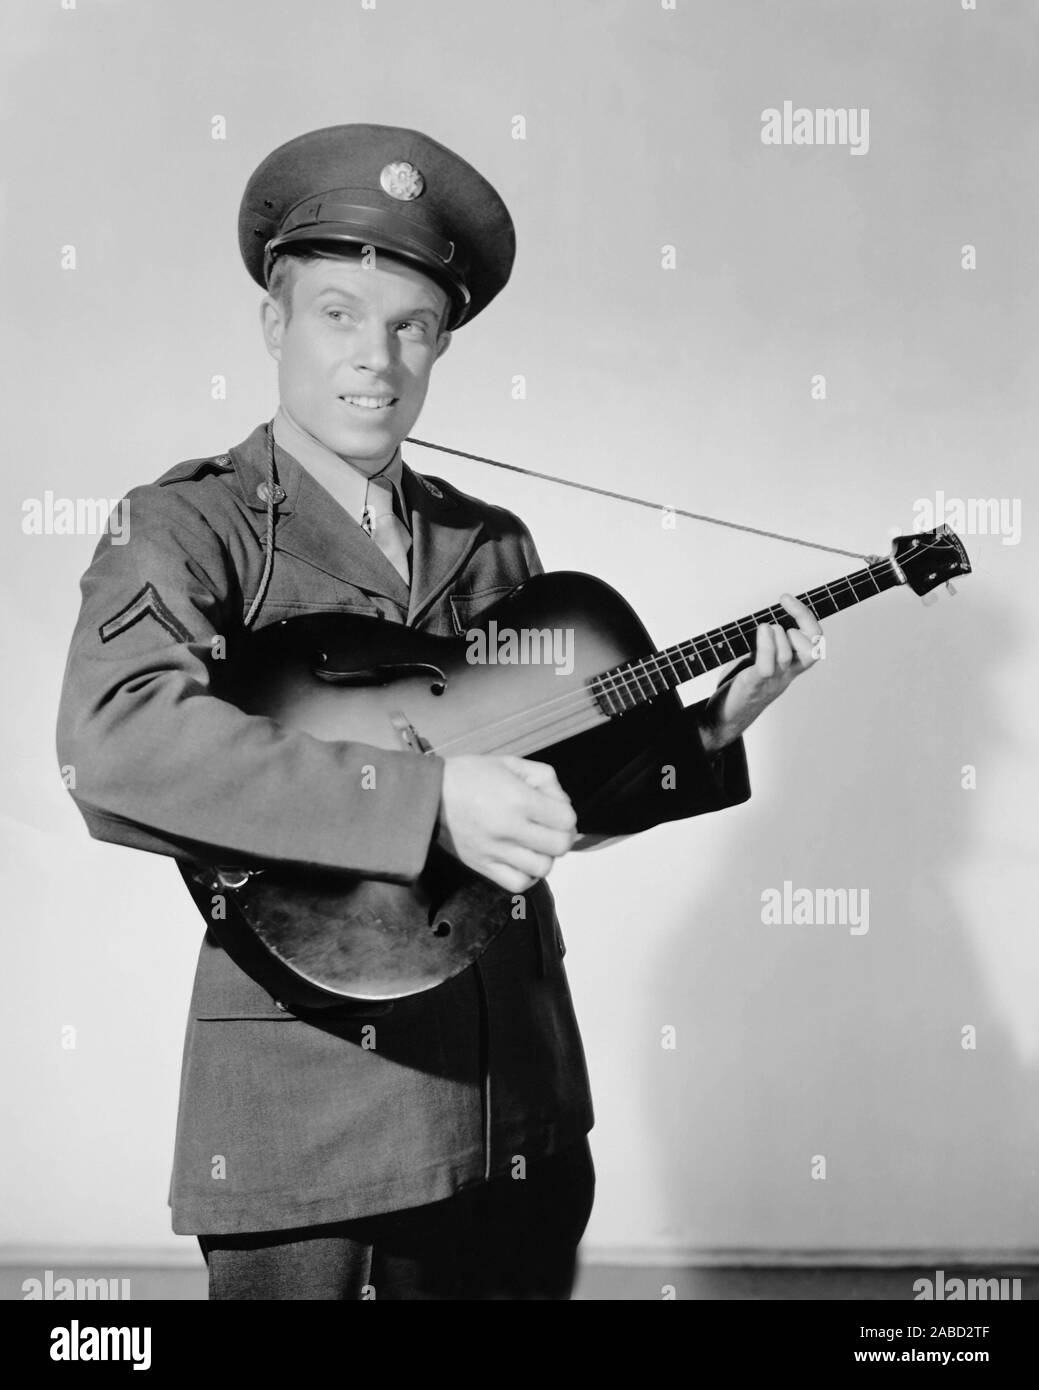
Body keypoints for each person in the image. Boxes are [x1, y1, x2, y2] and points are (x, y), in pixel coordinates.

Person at [56, 124, 823, 1300]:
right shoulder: (182, 528)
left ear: (441, 344)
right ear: (274, 321)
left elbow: (540, 814)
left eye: (412, 325)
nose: (378, 357)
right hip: (314, 1121)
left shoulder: (489, 543)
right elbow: (120, 747)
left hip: (519, 1097)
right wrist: (423, 799)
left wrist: (707, 735)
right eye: (338, 314)